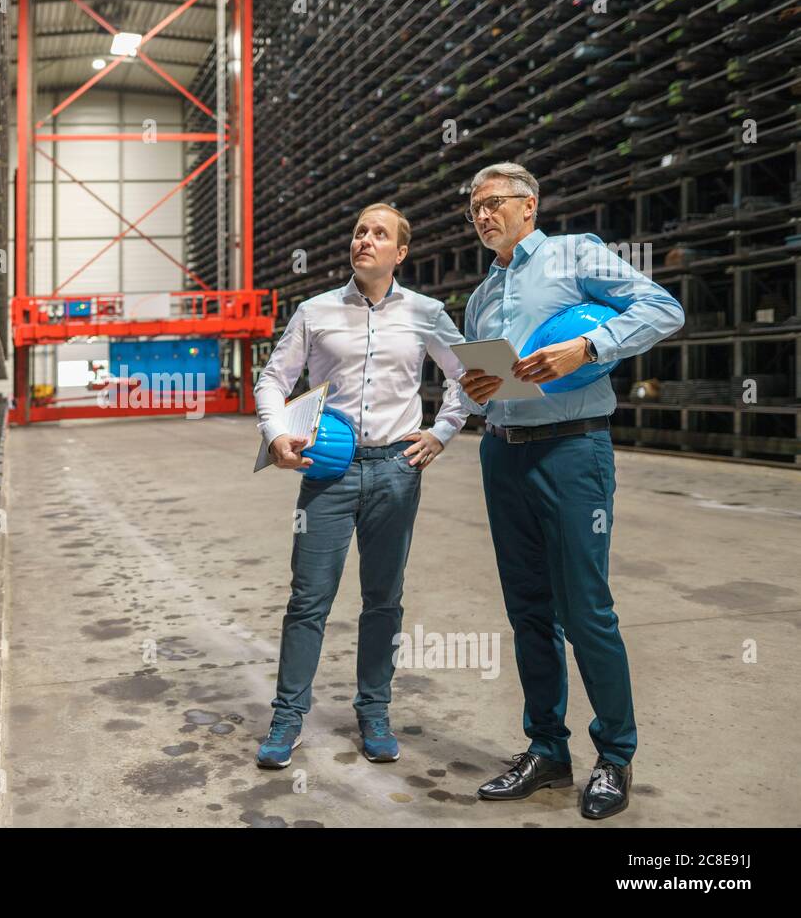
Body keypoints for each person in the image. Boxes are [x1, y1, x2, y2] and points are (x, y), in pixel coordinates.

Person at [456, 162, 685, 819]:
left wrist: (588, 346)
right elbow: (495, 379)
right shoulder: (480, 296)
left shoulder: (572, 255)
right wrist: (476, 391)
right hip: (503, 454)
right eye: (475, 207)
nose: (482, 214)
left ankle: (615, 754)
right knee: (529, 610)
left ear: (530, 205)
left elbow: (661, 308)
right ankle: (546, 748)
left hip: (571, 451)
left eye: (494, 202)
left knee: (587, 610)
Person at [253, 203, 468, 768]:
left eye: (379, 234)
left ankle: (374, 710)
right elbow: (273, 380)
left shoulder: (426, 312)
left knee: (383, 600)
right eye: (358, 232)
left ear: (400, 253)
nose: (364, 240)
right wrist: (277, 435)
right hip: (328, 473)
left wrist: (443, 432)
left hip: (398, 469)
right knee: (308, 599)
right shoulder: (315, 311)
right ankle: (287, 716)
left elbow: (468, 376)